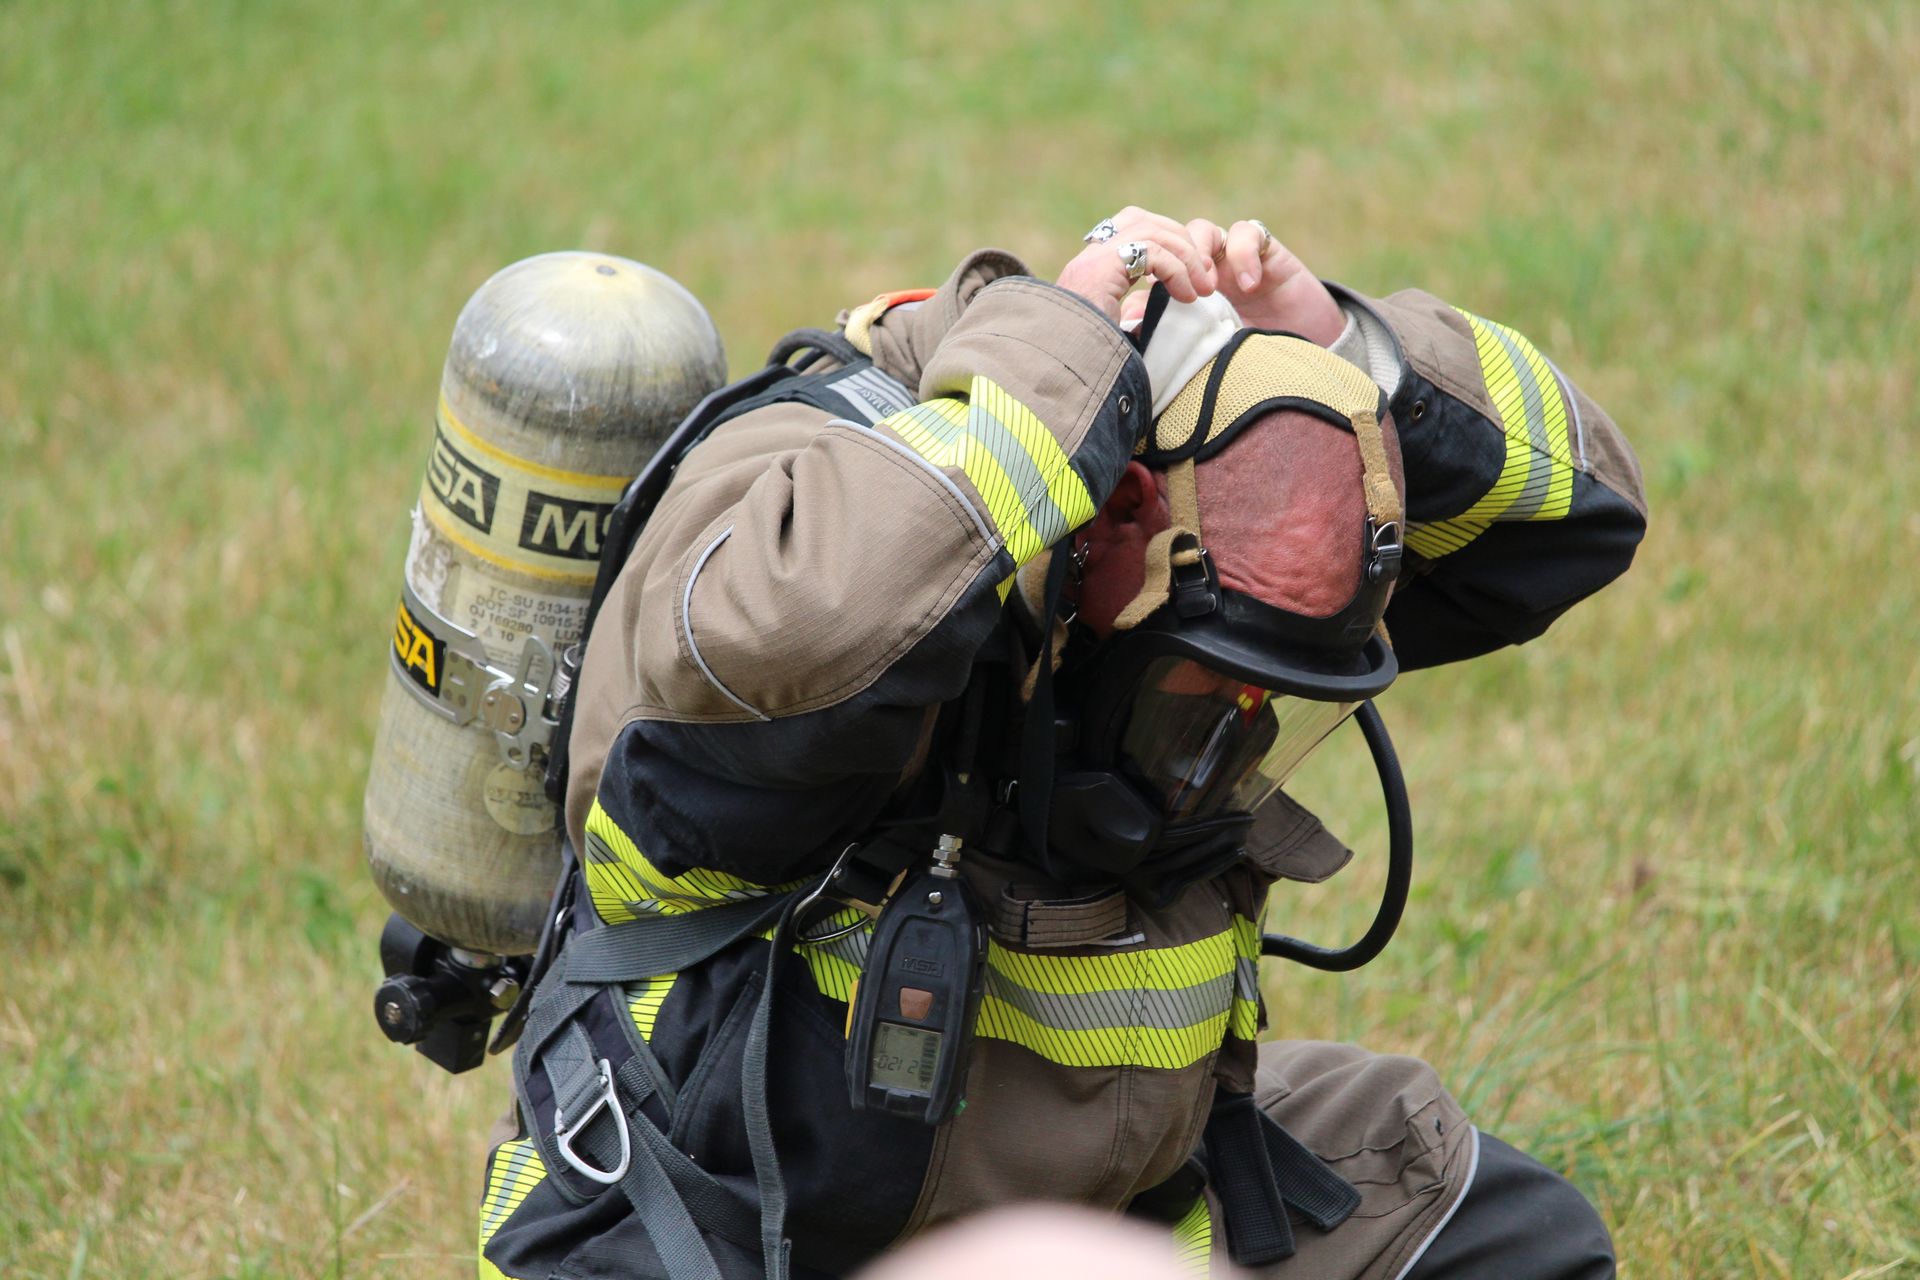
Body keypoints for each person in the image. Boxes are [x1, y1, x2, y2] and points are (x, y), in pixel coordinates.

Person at [474, 207, 1646, 1280]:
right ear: (1122, 510)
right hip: (731, 1230)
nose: (1229, 728)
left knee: (1498, 1234)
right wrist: (1059, 355)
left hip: (1102, 1204)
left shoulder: (1220, 575)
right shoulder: (817, 493)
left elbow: (1584, 514)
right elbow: (806, 623)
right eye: (1205, 686)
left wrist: (1351, 357)